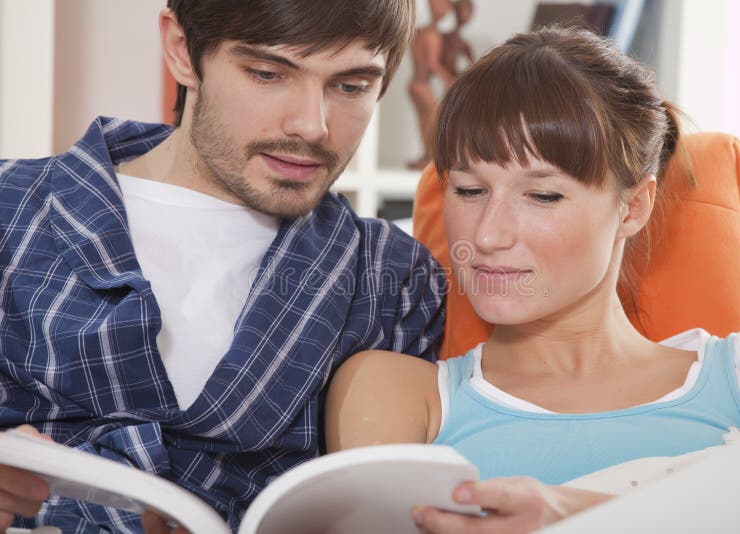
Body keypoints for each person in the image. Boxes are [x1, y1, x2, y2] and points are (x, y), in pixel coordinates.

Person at [326, 26, 740, 533]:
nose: (487, 236)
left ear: (634, 206)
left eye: (543, 196)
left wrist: (574, 514)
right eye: (468, 190)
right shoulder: (397, 394)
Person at [0, 0, 446, 531]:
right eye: (267, 73)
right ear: (181, 49)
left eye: (350, 86)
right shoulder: (13, 208)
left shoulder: (392, 277)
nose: (312, 126)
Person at [407, 0, 457, 170]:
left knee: (423, 121)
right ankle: (429, 157)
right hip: (423, 85)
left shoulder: (418, 32)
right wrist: (450, 79)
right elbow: (432, 64)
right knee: (433, 123)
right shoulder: (432, 34)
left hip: (414, 85)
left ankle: (424, 156)